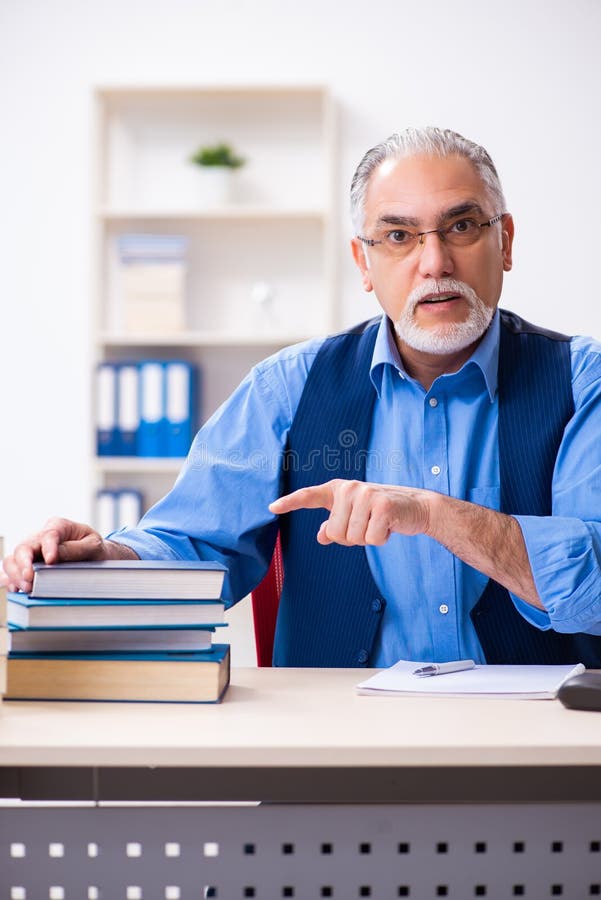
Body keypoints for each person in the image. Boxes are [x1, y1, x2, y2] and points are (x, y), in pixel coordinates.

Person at [4, 127, 601, 667]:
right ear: (362, 262)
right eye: (398, 235)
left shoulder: (581, 380)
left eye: (463, 226)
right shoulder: (286, 388)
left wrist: (435, 515)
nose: (434, 262)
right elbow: (196, 543)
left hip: (540, 742)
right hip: (333, 745)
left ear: (507, 242)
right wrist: (105, 563)